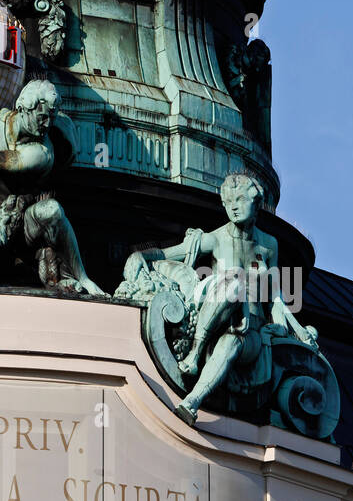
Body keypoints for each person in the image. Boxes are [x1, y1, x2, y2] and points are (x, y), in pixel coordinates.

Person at [123, 173, 317, 424]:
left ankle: (192, 402)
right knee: (235, 282)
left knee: (233, 343)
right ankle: (196, 350)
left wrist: (299, 330)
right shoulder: (215, 238)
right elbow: (172, 253)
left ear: (255, 202)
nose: (233, 206)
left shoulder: (269, 245)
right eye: (228, 201)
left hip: (250, 329)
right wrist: (142, 256)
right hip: (214, 316)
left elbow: (275, 295)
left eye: (239, 199)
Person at [0, 80, 103, 296]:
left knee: (52, 210)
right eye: (42, 117)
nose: (47, 124)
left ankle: (82, 277)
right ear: (23, 109)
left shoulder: (42, 151)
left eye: (52, 118)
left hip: (19, 230)